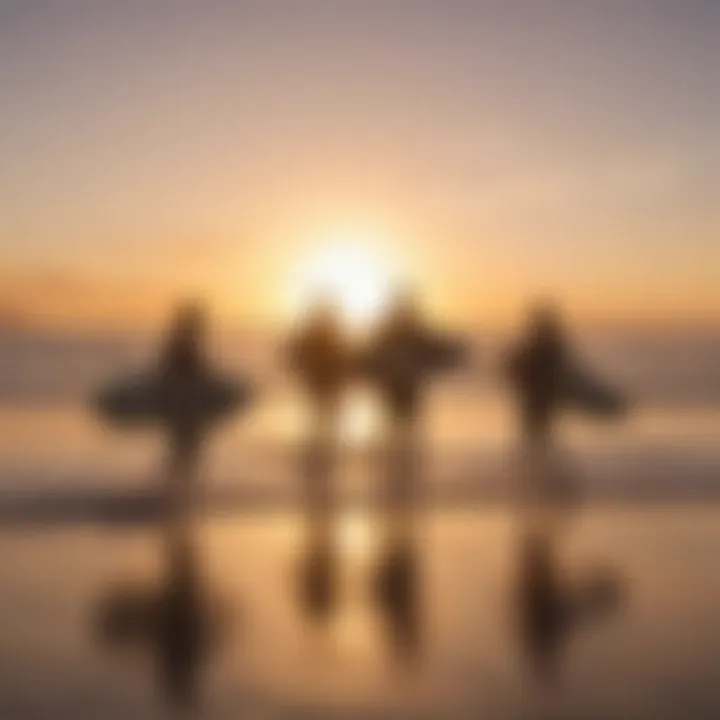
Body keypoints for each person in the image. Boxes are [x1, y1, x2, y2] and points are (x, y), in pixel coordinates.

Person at [505, 301, 567, 449]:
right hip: (538, 393)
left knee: (537, 426)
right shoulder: (544, 343)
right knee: (537, 426)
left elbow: (520, 364)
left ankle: (536, 454)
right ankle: (536, 454)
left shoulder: (544, 343)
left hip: (540, 393)